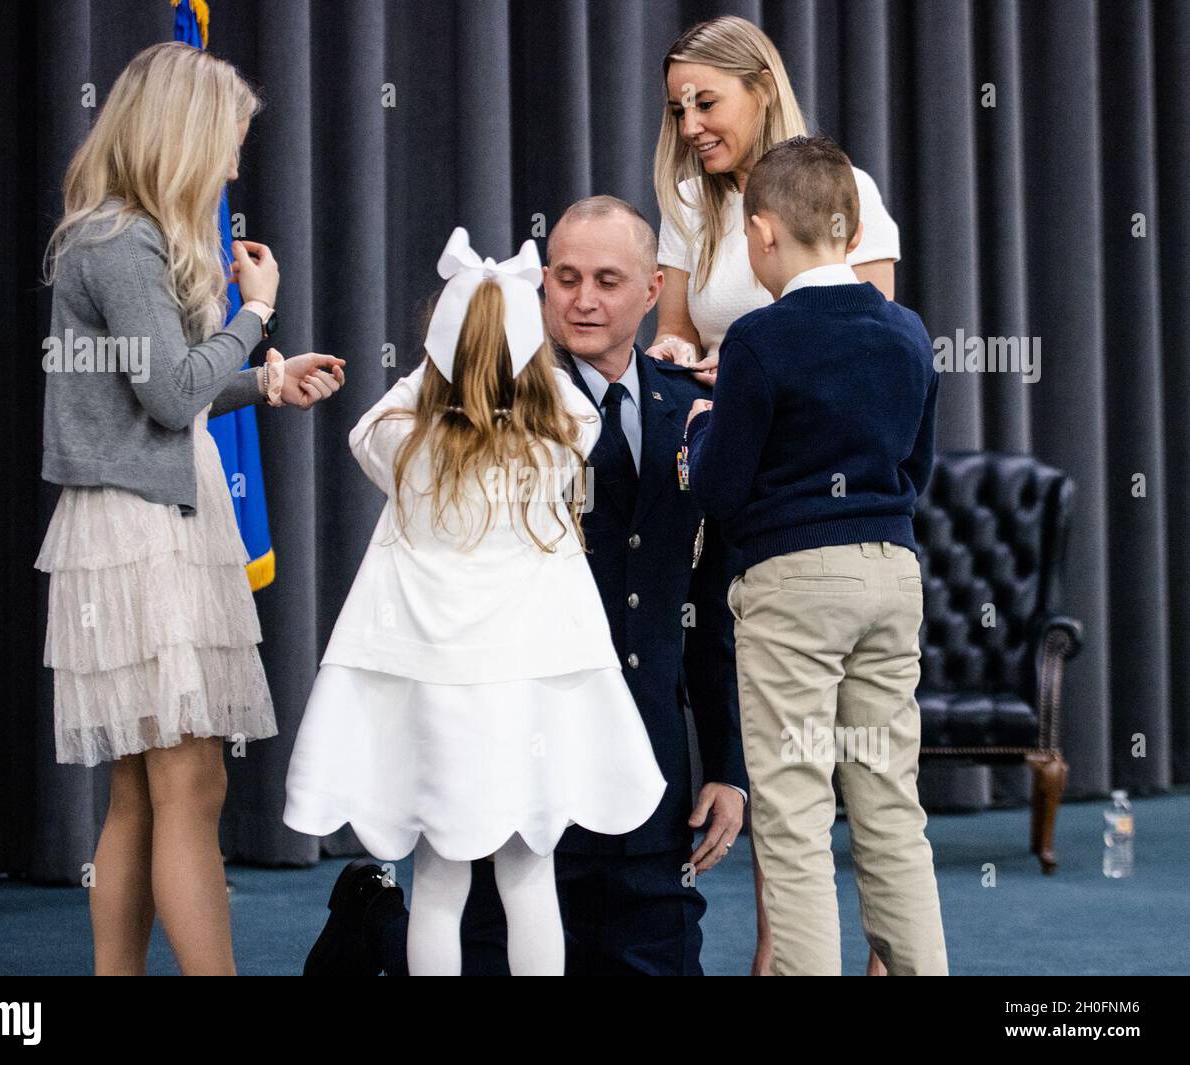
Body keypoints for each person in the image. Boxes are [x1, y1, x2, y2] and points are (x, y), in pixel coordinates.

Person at [306, 198, 747, 976]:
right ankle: (373, 921)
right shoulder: (501, 415)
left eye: (608, 281)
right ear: (538, 288)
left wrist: (726, 764)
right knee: (470, 932)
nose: (582, 299)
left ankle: (382, 920)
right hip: (510, 755)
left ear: (654, 290)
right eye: (565, 278)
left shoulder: (693, 409)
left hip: (635, 778)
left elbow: (712, 610)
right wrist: (475, 351)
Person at [35, 43, 345, 975]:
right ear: (183, 137)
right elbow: (171, 398)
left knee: (140, 790)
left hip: (143, 513)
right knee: (190, 783)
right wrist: (259, 312)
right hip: (144, 528)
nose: (236, 165)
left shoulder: (115, 236)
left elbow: (161, 394)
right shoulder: (124, 240)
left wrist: (261, 380)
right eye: (229, 142)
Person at [649, 13, 900, 975]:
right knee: (770, 747)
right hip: (735, 505)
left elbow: (869, 346)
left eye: (706, 101)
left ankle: (887, 953)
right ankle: (778, 954)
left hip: (827, 504)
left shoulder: (848, 193)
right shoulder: (684, 197)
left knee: (859, 752)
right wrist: (678, 357)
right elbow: (672, 335)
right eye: (679, 107)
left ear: (762, 87)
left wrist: (744, 364)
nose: (692, 123)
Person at [683, 135, 947, 976]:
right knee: (890, 807)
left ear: (760, 234)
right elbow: (917, 467)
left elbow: (721, 491)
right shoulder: (907, 332)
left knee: (795, 816)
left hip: (795, 582)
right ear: (853, 222)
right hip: (891, 573)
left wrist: (698, 435)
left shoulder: (759, 340)